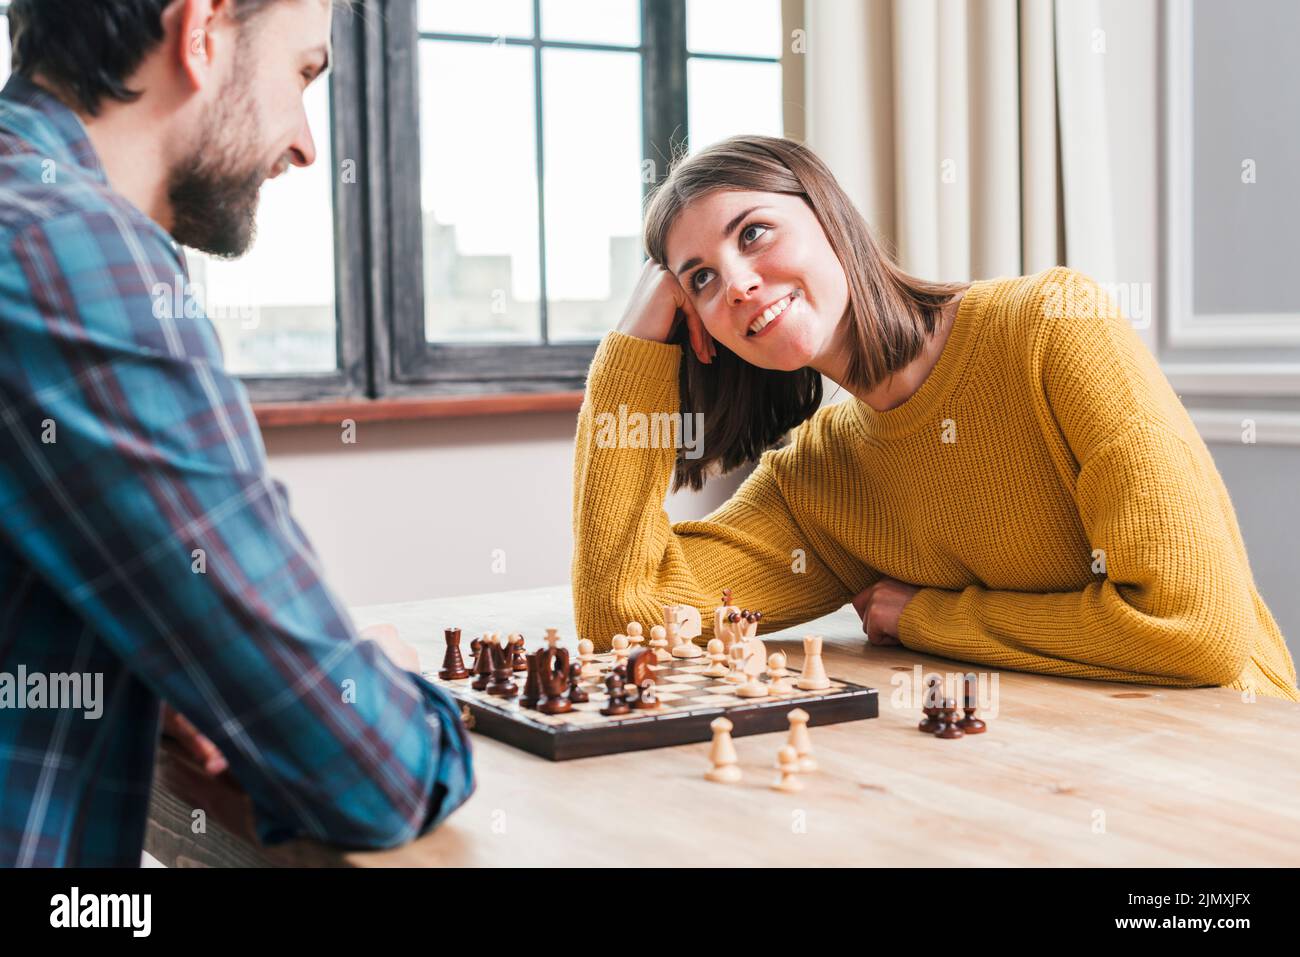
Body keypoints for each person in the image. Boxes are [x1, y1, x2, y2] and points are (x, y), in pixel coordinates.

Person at [571, 134, 1298, 702]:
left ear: (830, 217)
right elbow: (627, 616)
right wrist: (632, 354)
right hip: (1065, 773)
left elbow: (1195, 631)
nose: (736, 282)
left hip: (1236, 763)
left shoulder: (1052, 329)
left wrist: (926, 616)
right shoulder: (819, 479)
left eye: (753, 233)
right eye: (699, 278)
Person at [0, 0, 473, 867]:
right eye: (301, 73)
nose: (305, 143)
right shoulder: (66, 251)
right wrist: (389, 680)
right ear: (203, 30)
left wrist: (162, 670)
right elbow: (381, 776)